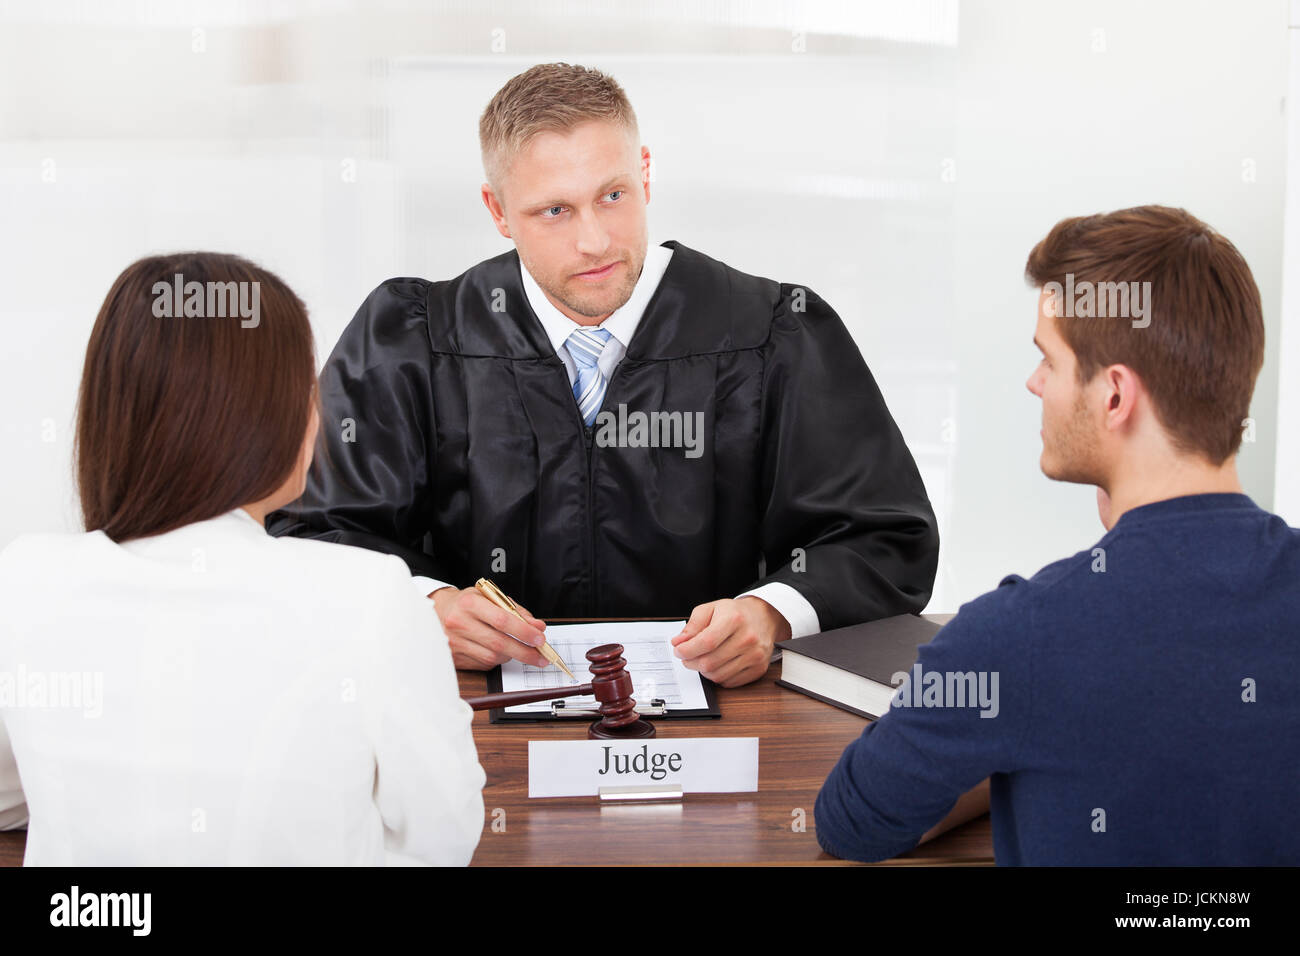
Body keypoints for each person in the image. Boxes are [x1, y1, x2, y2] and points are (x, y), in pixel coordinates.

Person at [267, 62, 939, 687]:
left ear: (645, 174)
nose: (593, 241)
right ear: (497, 210)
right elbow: (314, 530)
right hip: (475, 734)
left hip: (732, 725)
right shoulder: (414, 340)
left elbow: (883, 536)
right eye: (553, 210)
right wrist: (424, 605)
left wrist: (774, 611)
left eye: (612, 194)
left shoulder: (773, 333)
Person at [815, 205, 1300, 864]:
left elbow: (852, 822)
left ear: (1114, 397)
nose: (1034, 382)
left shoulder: (1013, 638)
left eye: (1050, 359)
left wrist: (1008, 739)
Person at [0, 253, 485, 866]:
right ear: (274, 416)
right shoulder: (370, 593)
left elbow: (6, 801)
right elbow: (444, 834)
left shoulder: (23, 579)